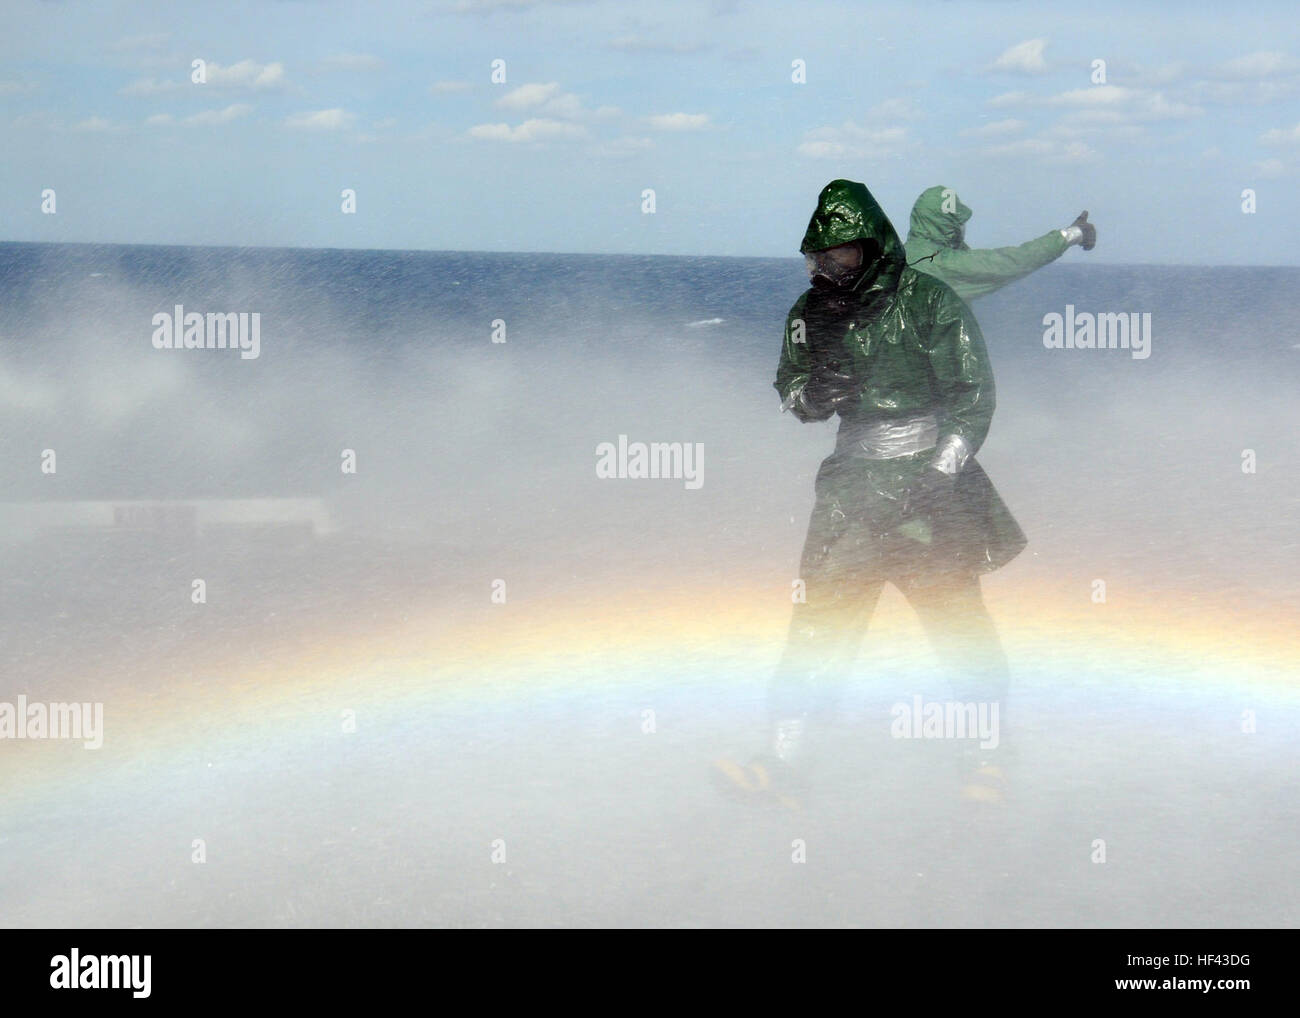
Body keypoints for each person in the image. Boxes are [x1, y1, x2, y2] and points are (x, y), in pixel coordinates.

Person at [713, 179, 1025, 809]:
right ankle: (782, 761)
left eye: (843, 255)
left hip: (930, 486)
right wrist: (815, 395)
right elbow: (793, 391)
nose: (829, 268)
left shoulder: (929, 302)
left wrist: (940, 475)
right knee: (817, 625)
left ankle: (987, 756)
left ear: (873, 246)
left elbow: (972, 397)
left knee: (959, 625)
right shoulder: (809, 314)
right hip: (852, 489)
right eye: (820, 257)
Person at [904, 184, 1096, 302]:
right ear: (948, 225)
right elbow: (1011, 262)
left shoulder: (904, 256)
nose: (963, 227)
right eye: (959, 222)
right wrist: (1072, 234)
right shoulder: (939, 263)